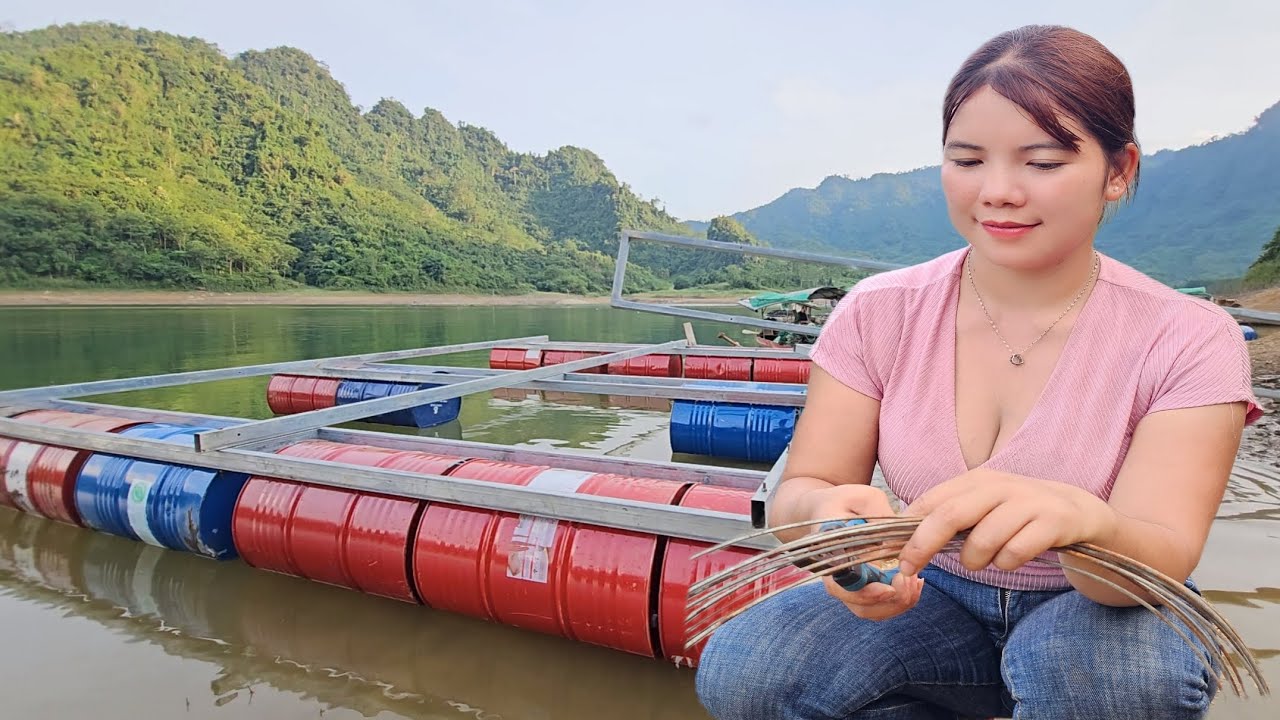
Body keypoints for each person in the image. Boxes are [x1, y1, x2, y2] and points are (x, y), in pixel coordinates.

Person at [694, 24, 1261, 720]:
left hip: (1100, 602)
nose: (997, 192)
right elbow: (805, 488)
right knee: (750, 670)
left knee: (1114, 679)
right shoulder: (880, 311)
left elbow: (1160, 553)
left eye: (1043, 163)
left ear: (1119, 171)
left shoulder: (1188, 336)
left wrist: (1086, 521)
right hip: (930, 589)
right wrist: (826, 526)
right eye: (967, 160)